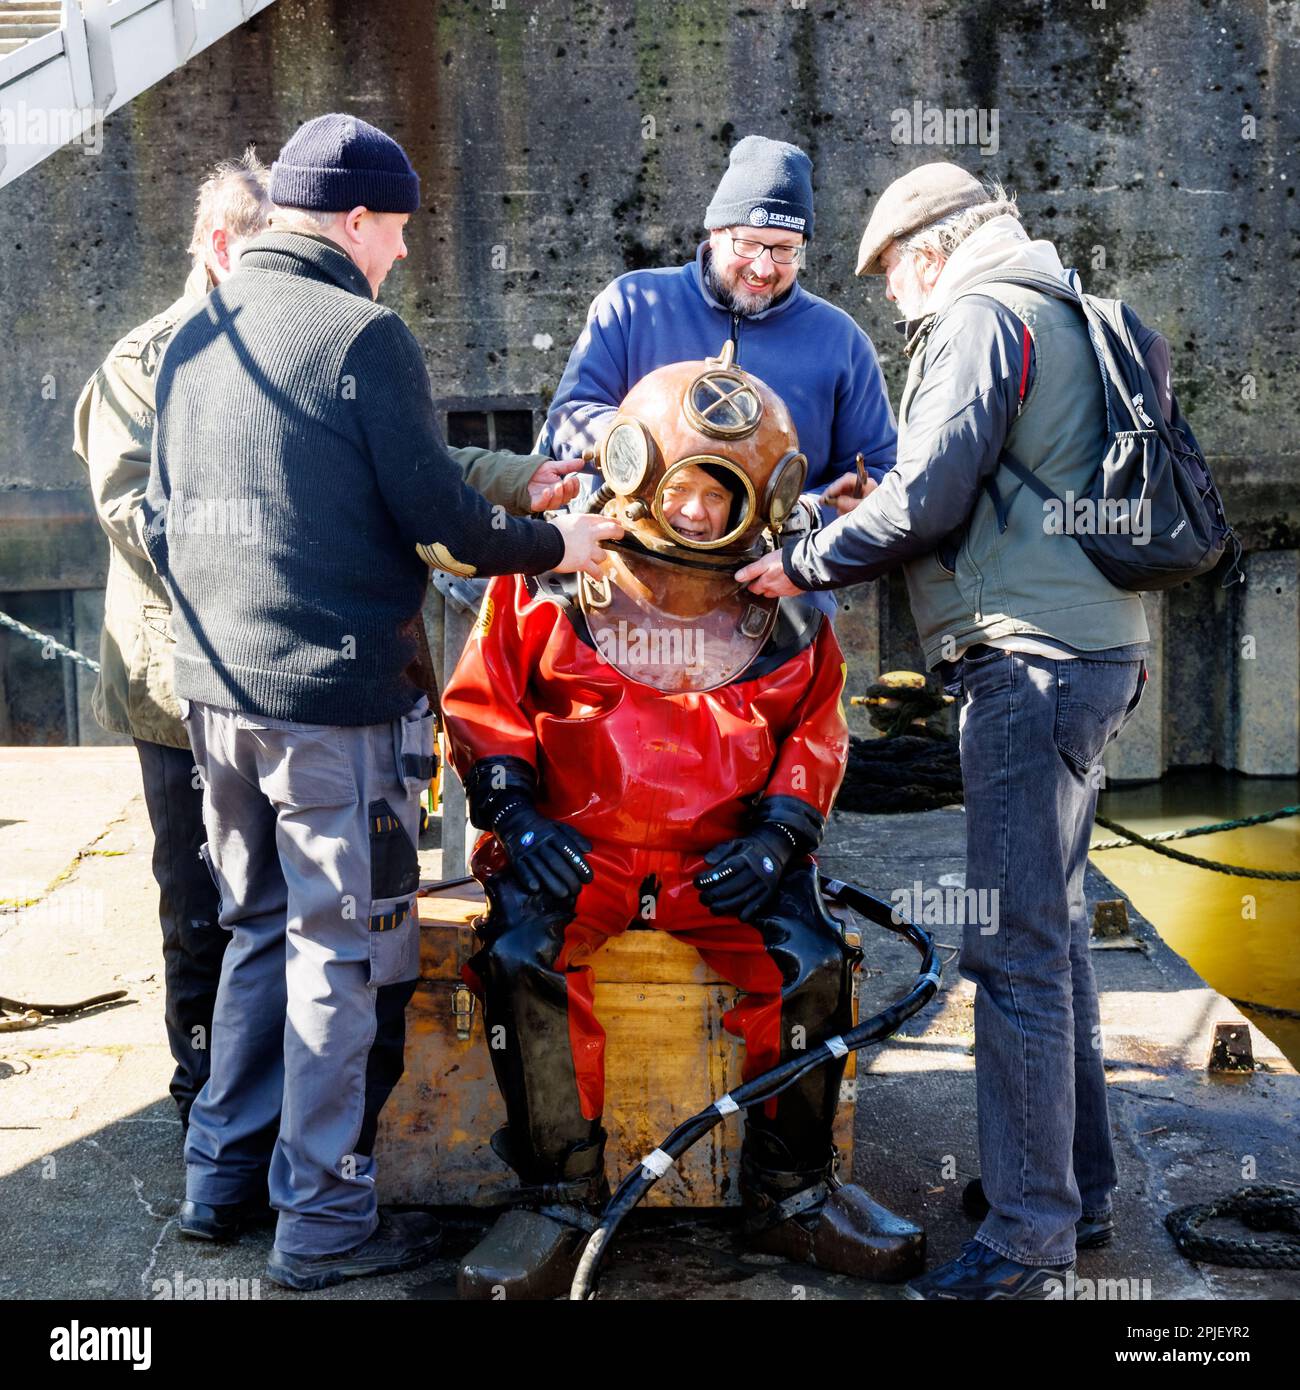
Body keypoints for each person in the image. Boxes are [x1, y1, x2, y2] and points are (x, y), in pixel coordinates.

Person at [141, 112, 621, 1291]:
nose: (402, 253)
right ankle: (321, 1226)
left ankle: (219, 1182)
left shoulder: (193, 329)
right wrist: (566, 539)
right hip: (332, 707)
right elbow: (444, 521)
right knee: (341, 960)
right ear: (354, 219)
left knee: (254, 928)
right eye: (397, 230)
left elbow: (158, 520)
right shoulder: (363, 335)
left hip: (215, 699)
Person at [737, 163, 1149, 1299]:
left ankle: (1027, 1243)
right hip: (1100, 646)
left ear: (927, 253)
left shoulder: (975, 314)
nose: (899, 305)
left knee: (1010, 952)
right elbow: (979, 478)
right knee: (1053, 933)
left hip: (1023, 663)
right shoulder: (1064, 303)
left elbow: (929, 499)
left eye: (893, 284)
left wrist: (803, 559)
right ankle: (1080, 1188)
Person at [441, 343, 925, 1299]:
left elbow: (816, 735)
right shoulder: (552, 576)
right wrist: (517, 816)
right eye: (688, 488)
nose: (700, 513)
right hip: (583, 848)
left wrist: (781, 837)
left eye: (723, 495)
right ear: (637, 471)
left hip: (724, 856)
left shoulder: (784, 607)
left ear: (766, 497)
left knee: (815, 962)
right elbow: (484, 700)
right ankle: (556, 1196)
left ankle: (793, 1194)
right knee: (515, 958)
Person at [73, 150, 272, 1131]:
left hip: (277, 681)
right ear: (225, 246)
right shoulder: (140, 365)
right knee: (197, 899)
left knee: (277, 905)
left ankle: (266, 1090)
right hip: (176, 686)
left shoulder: (283, 342)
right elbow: (132, 511)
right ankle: (199, 1093)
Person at [540, 134, 898, 527]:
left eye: (785, 250)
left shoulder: (841, 341)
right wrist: (656, 445)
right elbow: (569, 420)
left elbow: (878, 471)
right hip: (627, 564)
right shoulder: (633, 303)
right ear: (715, 233)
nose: (763, 269)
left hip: (783, 574)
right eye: (748, 244)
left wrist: (807, 514)